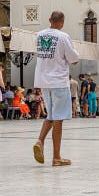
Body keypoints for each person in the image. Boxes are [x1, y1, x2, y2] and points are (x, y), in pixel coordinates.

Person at [32, 11, 79, 167]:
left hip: (43, 81)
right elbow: (73, 59)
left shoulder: (39, 35)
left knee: (51, 115)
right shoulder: (63, 36)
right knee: (58, 119)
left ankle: (40, 140)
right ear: (62, 22)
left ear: (49, 20)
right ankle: (56, 157)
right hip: (58, 81)